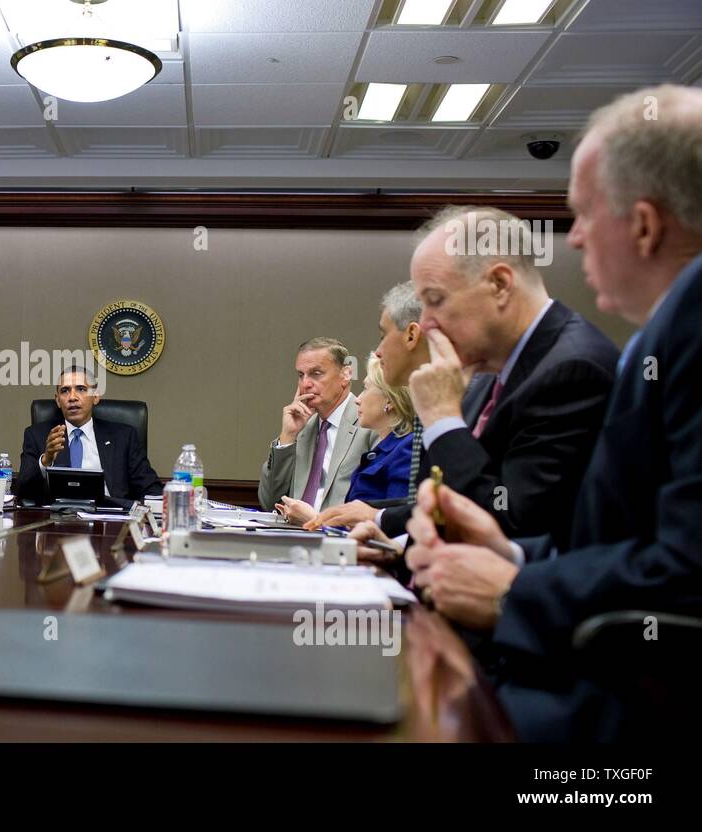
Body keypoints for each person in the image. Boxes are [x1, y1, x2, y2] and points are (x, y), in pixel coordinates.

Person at [362, 85, 702, 739]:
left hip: (618, 699)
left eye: (581, 215)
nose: (571, 239)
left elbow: (686, 574)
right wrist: (512, 553)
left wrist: (518, 585)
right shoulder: (663, 330)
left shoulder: (655, 336)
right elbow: (610, 542)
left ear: (644, 224)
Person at [376, 205, 619, 549]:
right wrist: (397, 549)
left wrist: (442, 421)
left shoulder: (573, 370)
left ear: (500, 284)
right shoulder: (489, 369)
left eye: (436, 300)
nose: (426, 322)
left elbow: (510, 523)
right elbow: (445, 505)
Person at [280, 353, 415, 526]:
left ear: (389, 401)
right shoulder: (382, 451)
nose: (358, 399)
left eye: (366, 388)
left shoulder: (405, 450)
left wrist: (314, 520)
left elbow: (393, 527)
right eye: (301, 375)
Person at [258, 337, 377, 515]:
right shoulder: (301, 427)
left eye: (316, 373)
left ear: (346, 374)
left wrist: (315, 521)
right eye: (300, 375)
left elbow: (375, 506)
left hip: (339, 537)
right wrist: (287, 437)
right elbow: (269, 502)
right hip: (291, 536)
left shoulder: (369, 423)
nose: (305, 384)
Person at [16, 366, 161, 504]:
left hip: (109, 520)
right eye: (65, 391)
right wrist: (46, 460)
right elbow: (21, 491)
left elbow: (151, 490)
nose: (72, 397)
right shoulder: (37, 435)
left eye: (81, 389)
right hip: (57, 520)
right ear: (58, 400)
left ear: (95, 396)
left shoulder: (123, 437)